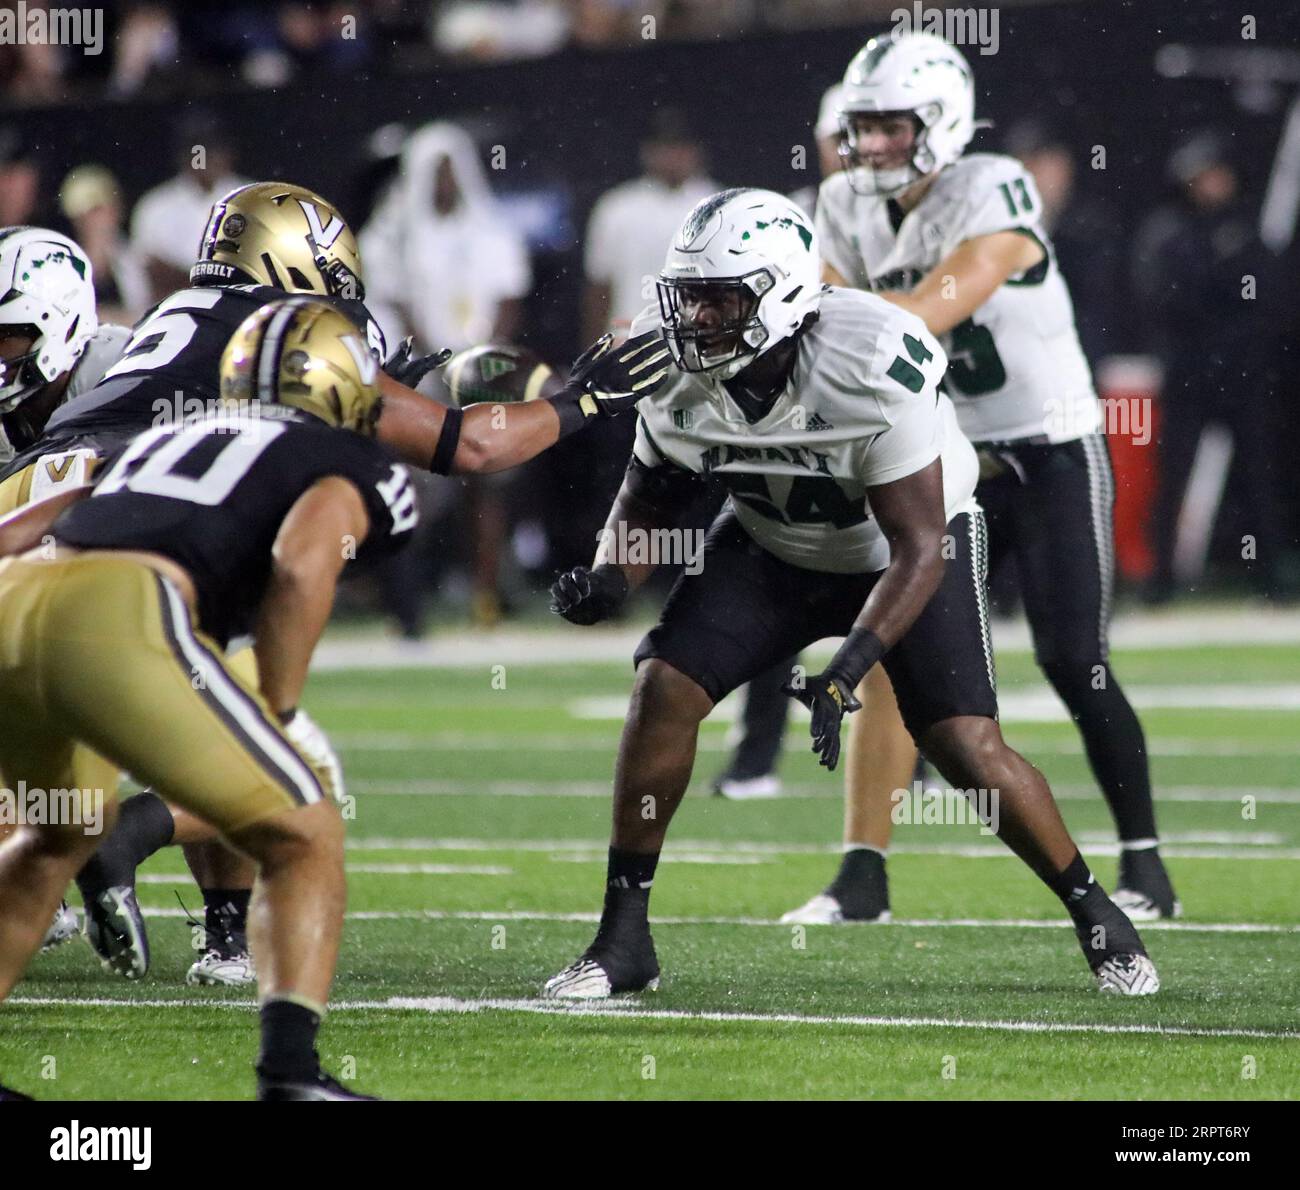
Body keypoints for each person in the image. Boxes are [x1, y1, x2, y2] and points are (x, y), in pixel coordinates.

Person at [1, 179, 664, 987]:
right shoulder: (292, 346)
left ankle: (219, 932)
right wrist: (584, 401)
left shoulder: (179, 316)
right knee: (281, 760)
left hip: (48, 506)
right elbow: (469, 448)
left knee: (47, 817)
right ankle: (275, 1035)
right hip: (119, 544)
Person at [542, 186, 1159, 1000]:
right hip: (769, 543)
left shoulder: (871, 357)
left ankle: (1095, 910)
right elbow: (651, 493)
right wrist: (608, 578)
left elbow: (916, 545)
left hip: (898, 548)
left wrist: (847, 668)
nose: (694, 320)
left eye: (718, 299)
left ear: (782, 292)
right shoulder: (672, 374)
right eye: (685, 297)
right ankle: (623, 940)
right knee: (663, 688)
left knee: (964, 744)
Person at [781, 32, 1178, 927]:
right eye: (862, 128)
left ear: (944, 122)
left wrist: (806, 298)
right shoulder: (839, 201)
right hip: (951, 457)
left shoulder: (993, 185)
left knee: (1075, 661)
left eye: (892, 126)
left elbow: (920, 318)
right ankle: (861, 876)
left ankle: (1146, 862)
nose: (872, 146)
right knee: (887, 653)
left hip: (1047, 449)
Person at [0, 298, 417, 1099]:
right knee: (306, 831)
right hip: (116, 612)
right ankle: (292, 1076)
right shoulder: (345, 459)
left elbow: (24, 528)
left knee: (55, 838)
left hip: (21, 604)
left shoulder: (162, 436)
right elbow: (302, 564)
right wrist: (282, 710)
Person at [129, 112, 247, 303]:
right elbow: (149, 274)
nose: (207, 157)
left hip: (238, 310)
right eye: (199, 150)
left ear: (228, 152)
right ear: (186, 155)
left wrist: (190, 278)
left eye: (215, 149)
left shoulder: (250, 197)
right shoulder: (155, 205)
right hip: (175, 311)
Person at [59, 164, 152, 325]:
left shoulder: (138, 258)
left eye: (98, 210)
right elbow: (65, 316)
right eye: (85, 214)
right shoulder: (63, 265)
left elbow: (147, 314)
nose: (94, 220)